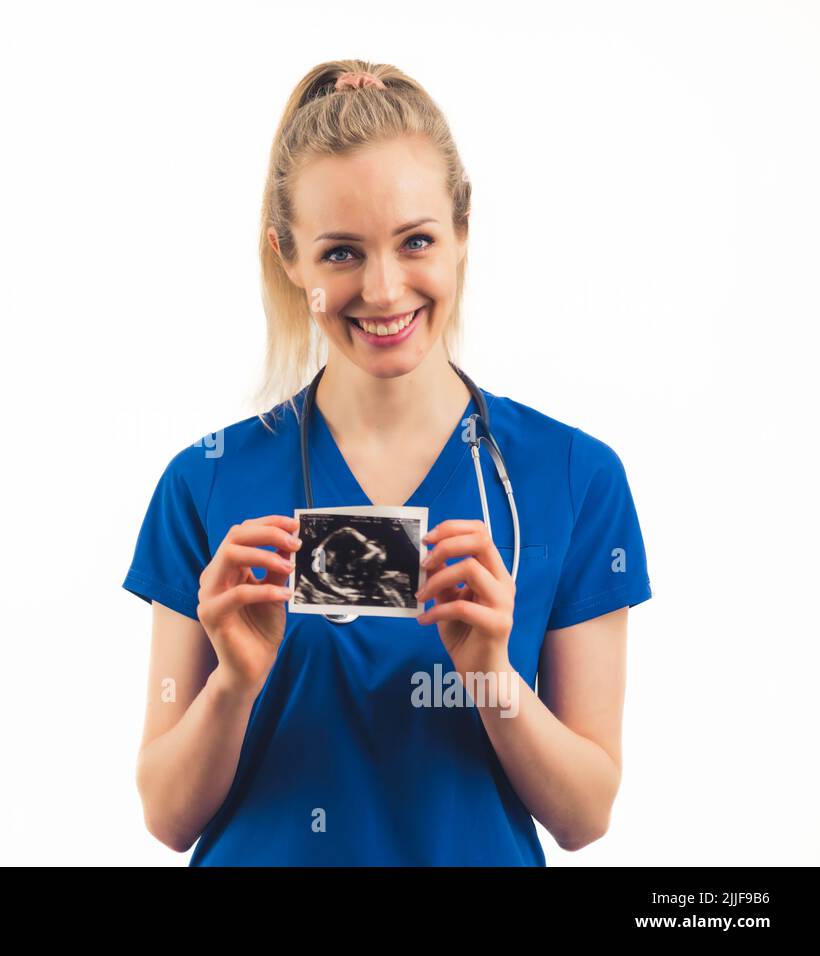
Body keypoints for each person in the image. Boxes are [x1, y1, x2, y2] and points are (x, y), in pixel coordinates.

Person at [122, 60, 652, 865]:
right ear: (289, 257)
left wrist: (490, 676)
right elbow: (167, 816)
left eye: (415, 241)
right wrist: (233, 681)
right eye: (340, 253)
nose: (384, 288)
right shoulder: (205, 481)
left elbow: (585, 816)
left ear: (462, 233)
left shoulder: (575, 477)